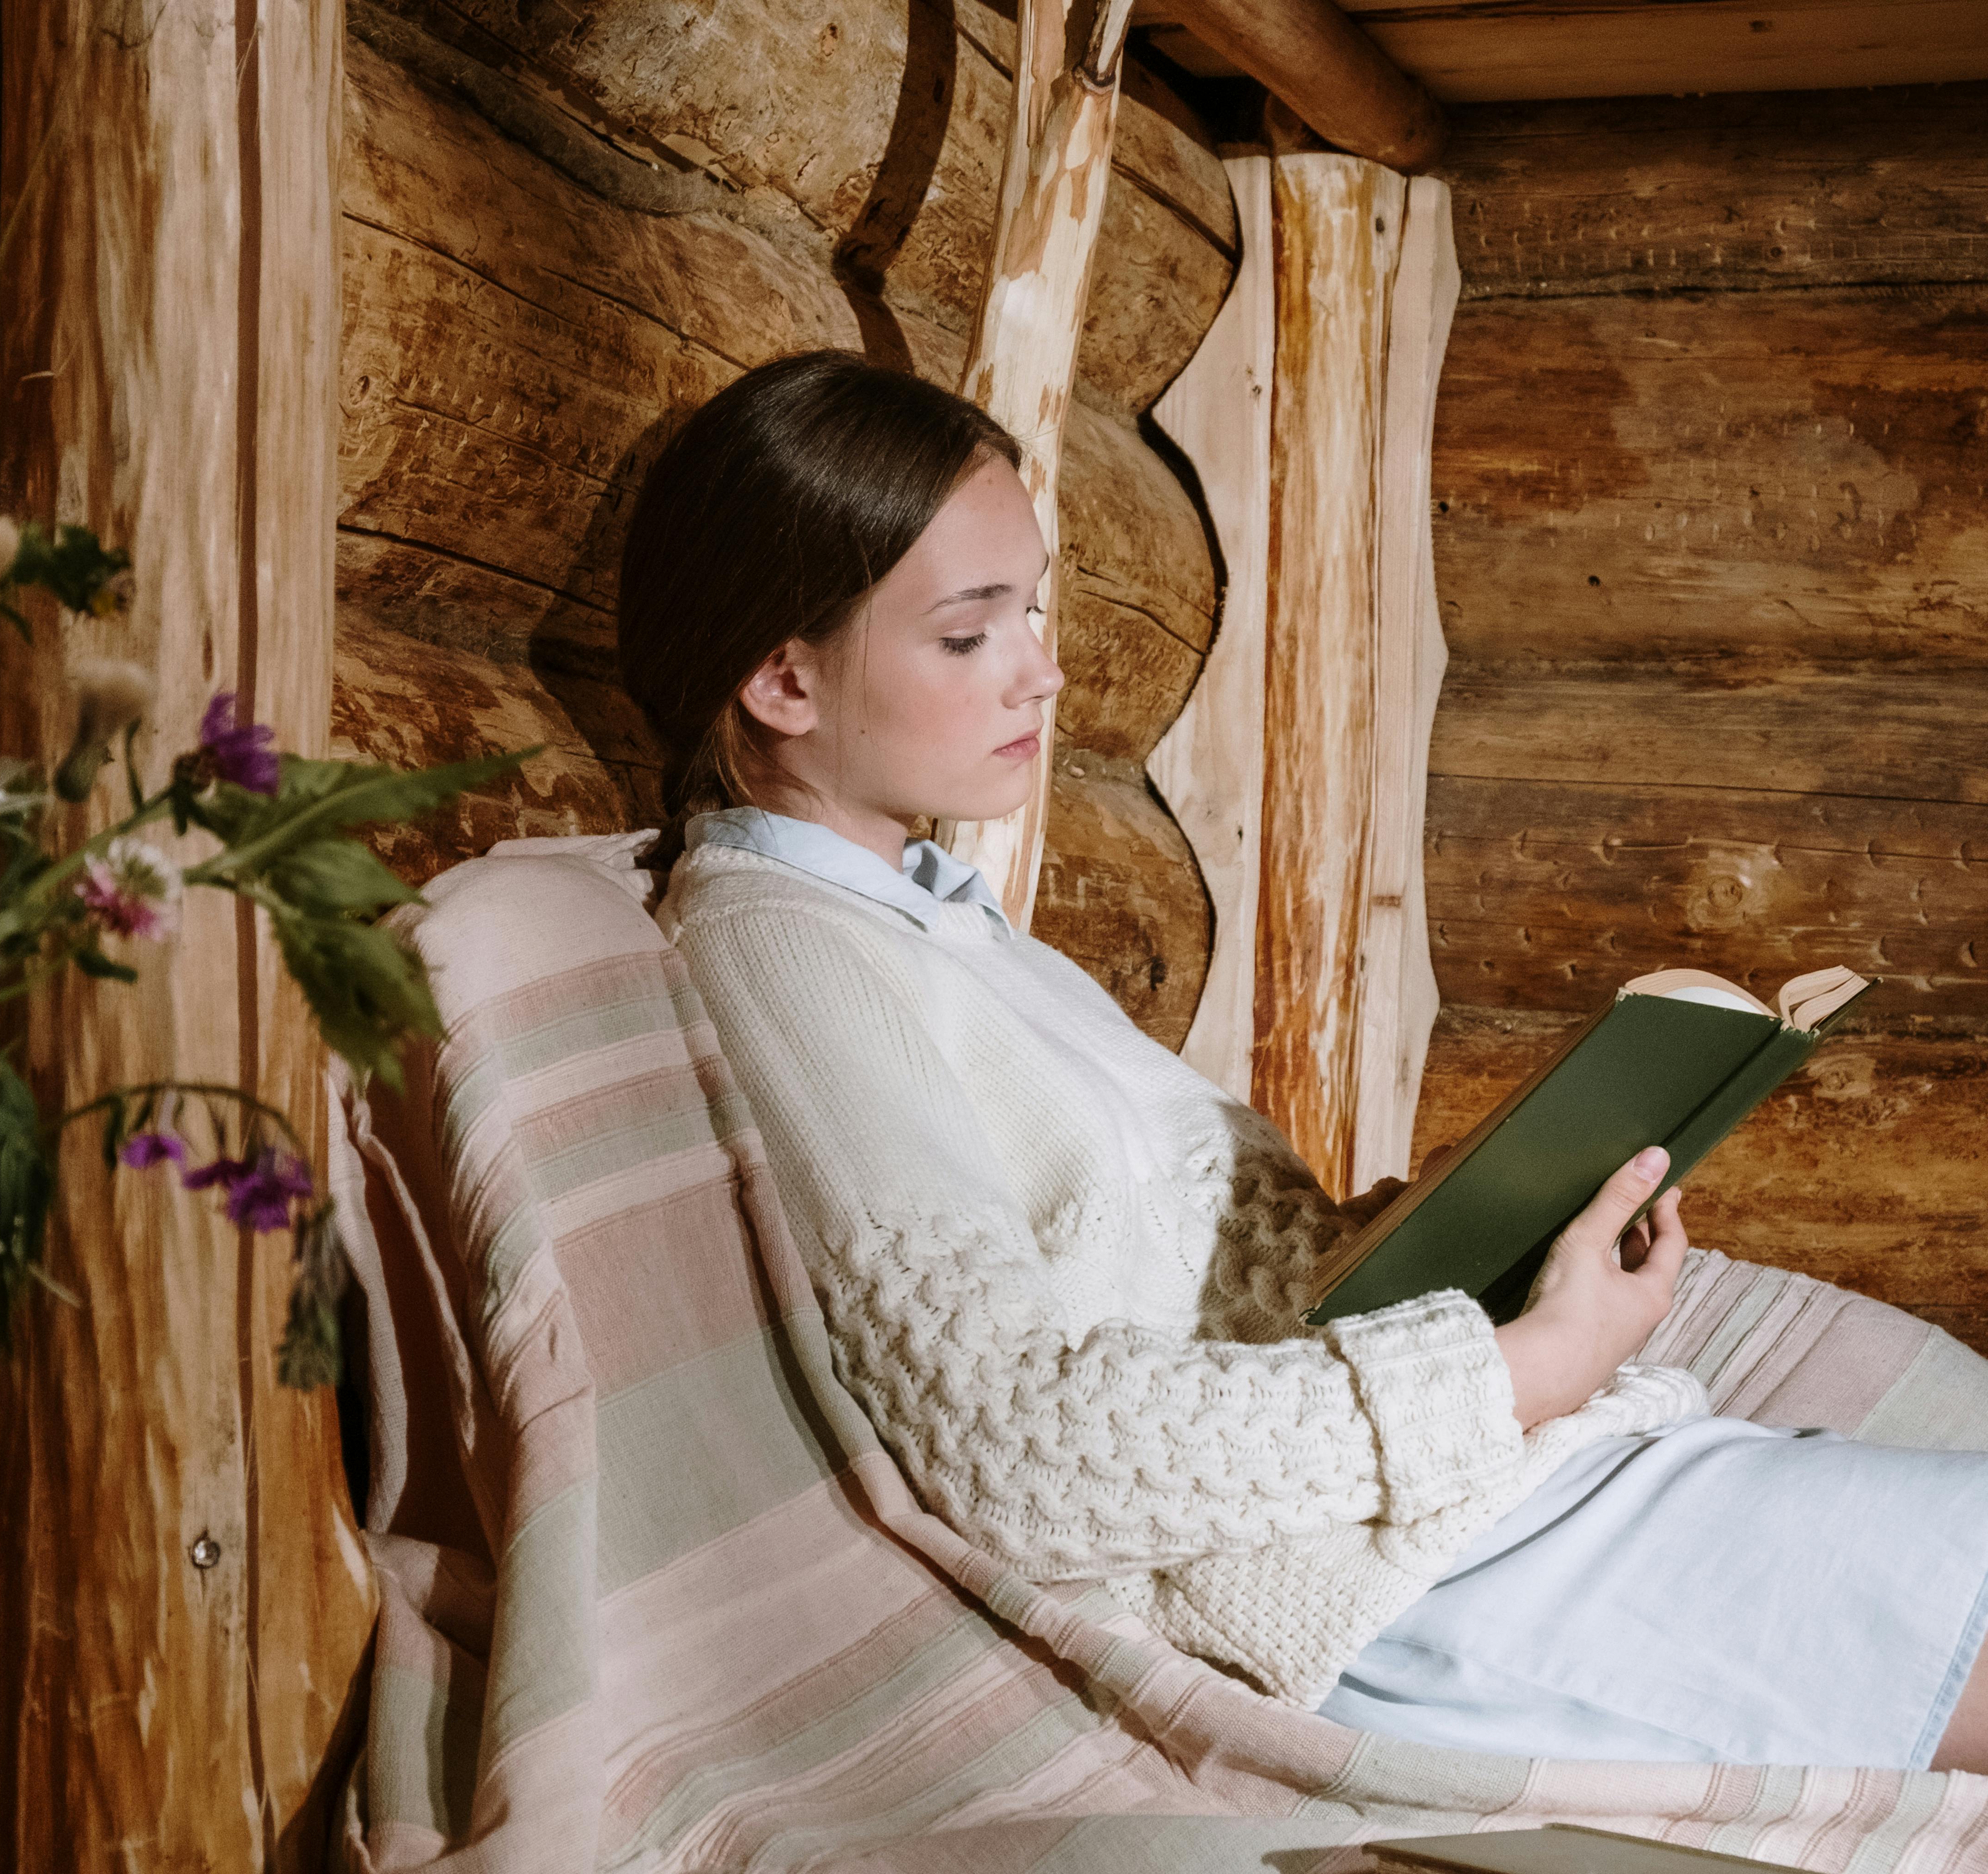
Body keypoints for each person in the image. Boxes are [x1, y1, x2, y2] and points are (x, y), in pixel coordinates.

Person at [618, 348, 1988, 1771]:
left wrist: (1448, 1222)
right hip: (1389, 1585)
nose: (1044, 669)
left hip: (1459, 1498)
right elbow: (1014, 1448)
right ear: (783, 677)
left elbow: (1162, 1269)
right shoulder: (782, 952)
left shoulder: (930, 917)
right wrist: (1516, 1369)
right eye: (970, 636)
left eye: (1033, 610)